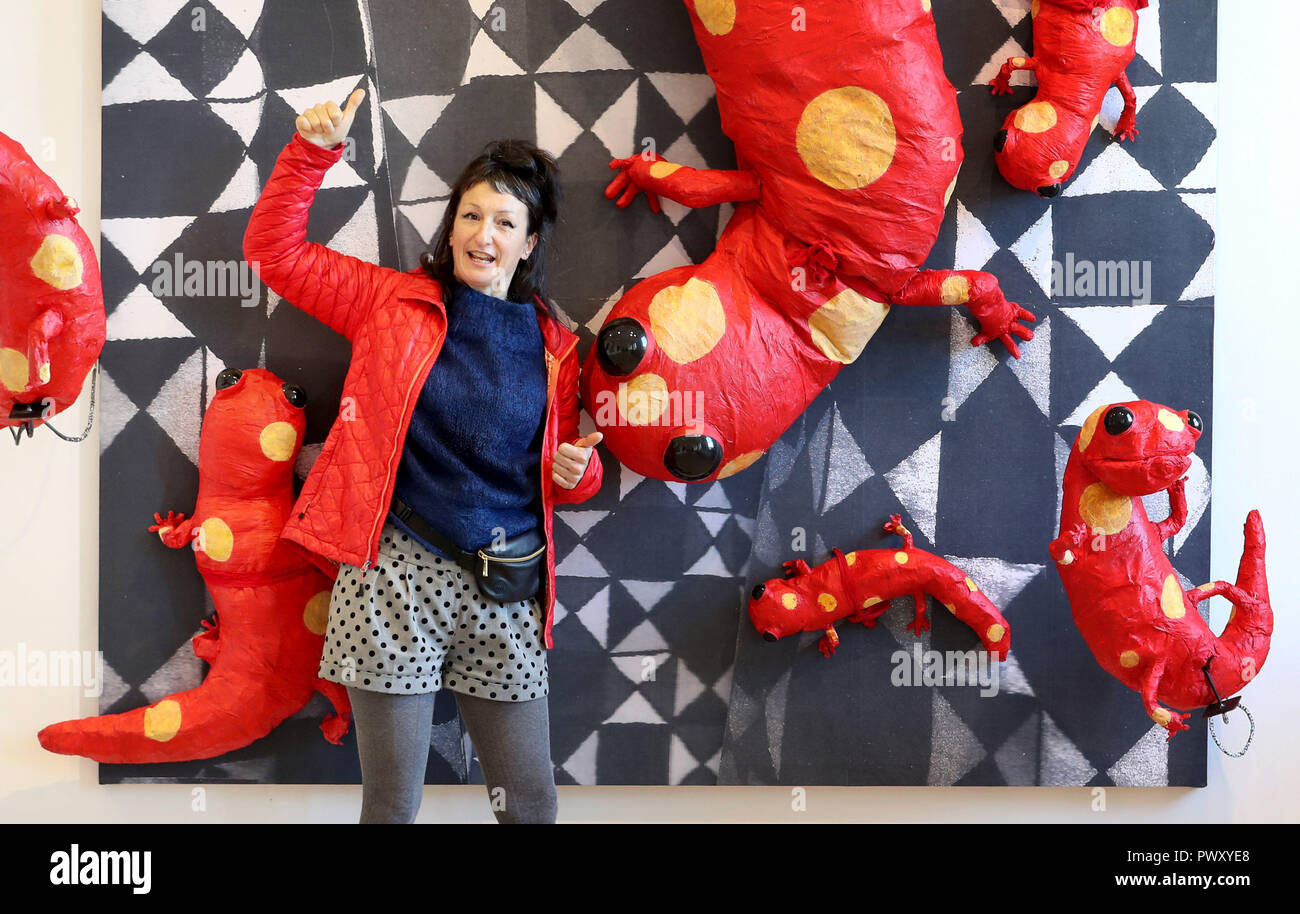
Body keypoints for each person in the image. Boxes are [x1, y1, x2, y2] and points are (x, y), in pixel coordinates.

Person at [243, 88, 603, 823]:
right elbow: (273, 253)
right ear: (451, 226)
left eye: (505, 221)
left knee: (530, 804)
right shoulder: (392, 302)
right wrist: (312, 151)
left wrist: (579, 469)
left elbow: (569, 468)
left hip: (504, 585)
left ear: (529, 242)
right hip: (392, 577)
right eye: (471, 214)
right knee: (392, 806)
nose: (484, 233)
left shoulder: (555, 347)